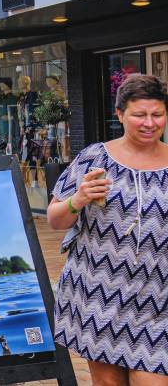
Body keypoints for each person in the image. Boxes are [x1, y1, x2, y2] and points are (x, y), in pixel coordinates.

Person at [48, 73, 168, 384]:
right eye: (139, 115)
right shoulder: (94, 158)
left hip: (159, 299)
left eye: (157, 114)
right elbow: (55, 219)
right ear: (120, 114)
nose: (149, 123)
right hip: (101, 294)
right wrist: (78, 199)